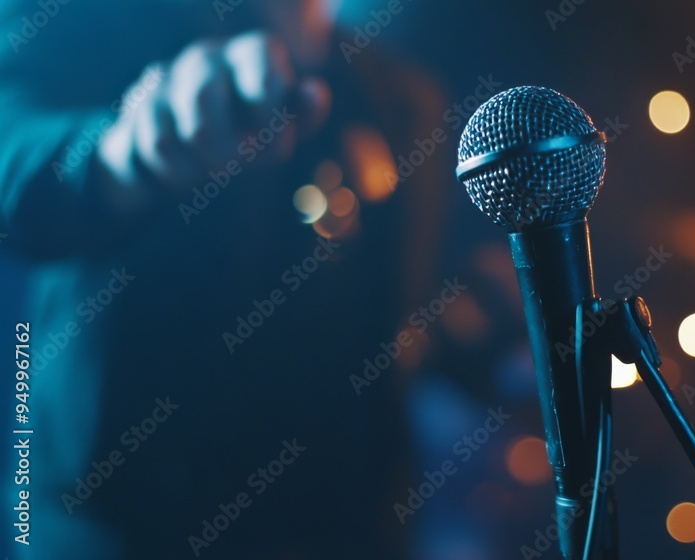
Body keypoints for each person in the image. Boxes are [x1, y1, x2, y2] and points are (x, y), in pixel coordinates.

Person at [0, 1, 450, 557]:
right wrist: (126, 153)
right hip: (119, 530)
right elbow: (13, 146)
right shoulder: (87, 21)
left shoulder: (406, 98)